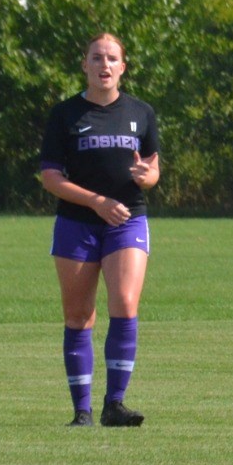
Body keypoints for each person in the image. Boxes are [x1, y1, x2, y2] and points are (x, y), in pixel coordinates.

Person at [39, 32, 161, 428]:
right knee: (79, 315)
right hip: (77, 223)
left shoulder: (141, 112)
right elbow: (51, 177)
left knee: (125, 303)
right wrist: (94, 201)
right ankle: (82, 410)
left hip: (127, 220)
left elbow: (154, 168)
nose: (104, 65)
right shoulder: (65, 114)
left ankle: (115, 403)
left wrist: (148, 176)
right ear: (85, 65)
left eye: (112, 58)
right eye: (97, 58)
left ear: (123, 67)